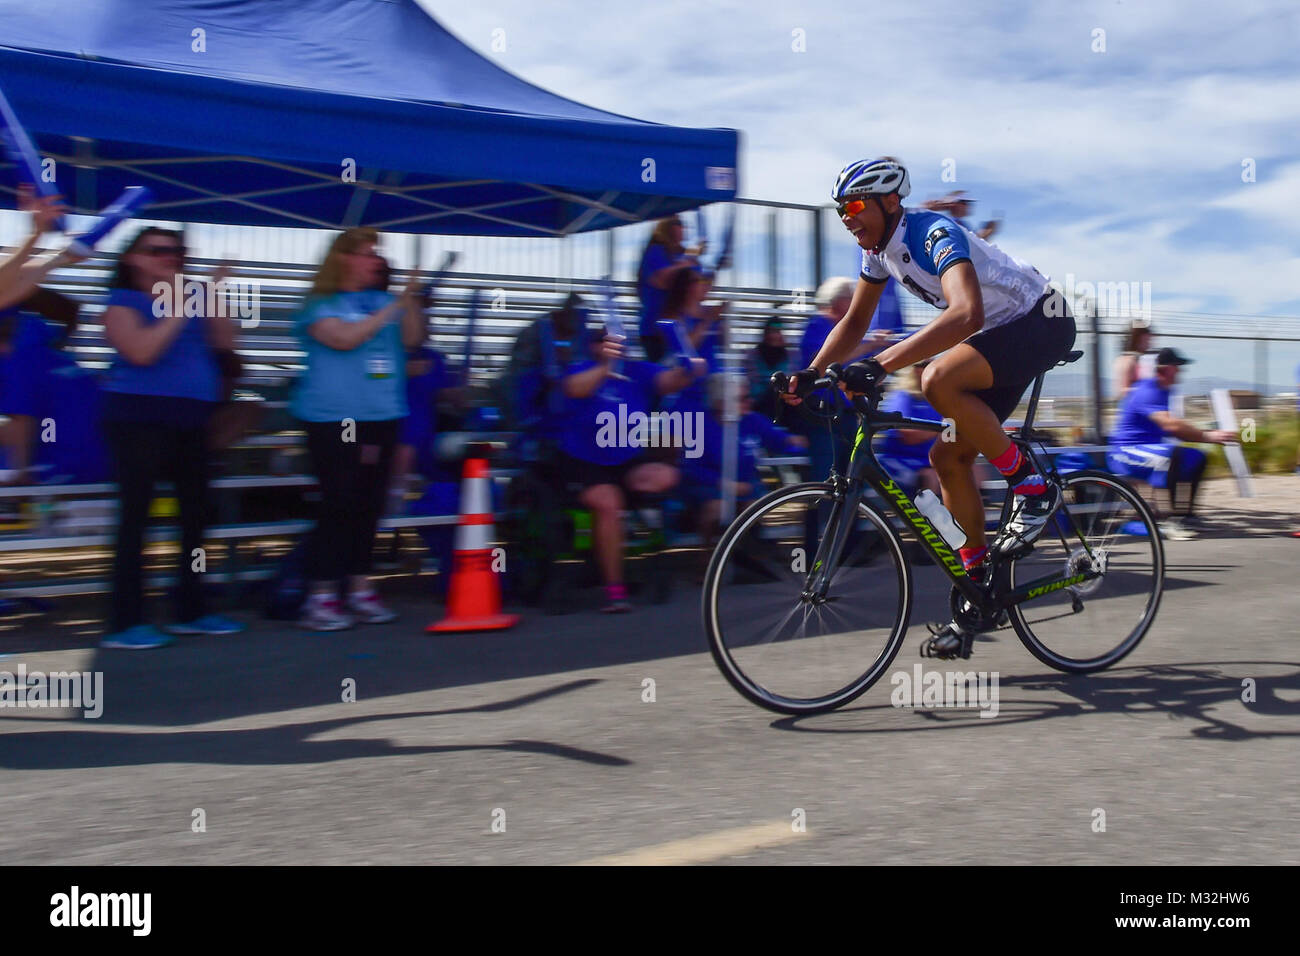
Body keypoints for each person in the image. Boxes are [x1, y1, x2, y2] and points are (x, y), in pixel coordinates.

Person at [786, 156, 1077, 615]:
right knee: (947, 458)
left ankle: (1032, 488)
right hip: (1001, 335)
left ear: (888, 201)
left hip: (1041, 319)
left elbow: (966, 314)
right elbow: (855, 320)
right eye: (840, 209)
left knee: (937, 378)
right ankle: (978, 588)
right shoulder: (877, 252)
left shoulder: (931, 233)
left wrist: (878, 365)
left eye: (855, 205)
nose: (847, 218)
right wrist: (812, 372)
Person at [99, 228, 245, 648]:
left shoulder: (193, 296)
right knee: (136, 519)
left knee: (196, 518)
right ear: (132, 259)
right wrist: (182, 306)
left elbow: (227, 345)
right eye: (157, 250)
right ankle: (125, 622)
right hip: (137, 416)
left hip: (191, 418)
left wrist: (213, 295)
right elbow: (142, 352)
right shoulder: (123, 301)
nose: (170, 257)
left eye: (176, 251)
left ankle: (192, 609)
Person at [291, 228, 425, 631]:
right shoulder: (320, 304)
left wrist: (410, 300)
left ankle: (360, 587)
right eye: (368, 253)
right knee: (339, 503)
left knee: (369, 505)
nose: (376, 261)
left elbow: (413, 338)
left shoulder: (385, 300)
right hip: (334, 419)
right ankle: (321, 595)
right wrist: (389, 309)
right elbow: (344, 339)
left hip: (382, 416)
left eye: (377, 254)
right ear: (343, 258)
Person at [557, 334, 704, 612]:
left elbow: (672, 381)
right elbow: (574, 389)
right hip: (584, 461)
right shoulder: (581, 368)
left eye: (618, 341)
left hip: (625, 460)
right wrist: (605, 367)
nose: (615, 346)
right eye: (605, 341)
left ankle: (640, 540)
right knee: (609, 502)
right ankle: (615, 591)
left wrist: (689, 368)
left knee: (667, 475)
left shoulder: (637, 370)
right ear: (593, 345)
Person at [1107, 348, 1235, 539]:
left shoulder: (1165, 390)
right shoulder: (1148, 390)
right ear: (1166, 369)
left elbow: (1176, 431)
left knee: (1197, 457)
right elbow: (1171, 425)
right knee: (1173, 455)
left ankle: (1186, 516)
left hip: (1148, 451)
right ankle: (1171, 521)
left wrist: (1207, 436)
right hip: (1125, 453)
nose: (1180, 372)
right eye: (1177, 367)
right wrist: (1209, 436)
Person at [682, 373, 807, 541]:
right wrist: (726, 485)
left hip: (746, 487)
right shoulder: (700, 425)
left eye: (749, 396)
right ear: (721, 402)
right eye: (742, 398)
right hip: (710, 488)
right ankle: (709, 557)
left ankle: (749, 557)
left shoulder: (752, 420)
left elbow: (780, 442)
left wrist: (806, 442)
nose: (749, 402)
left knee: (752, 508)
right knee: (717, 508)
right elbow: (692, 469)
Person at [797, 277, 891, 480]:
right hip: (823, 413)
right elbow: (820, 362)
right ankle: (824, 512)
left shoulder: (848, 332)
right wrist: (869, 345)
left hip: (846, 412)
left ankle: (845, 512)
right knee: (826, 472)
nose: (853, 302)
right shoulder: (818, 324)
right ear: (838, 301)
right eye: (849, 298)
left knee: (850, 474)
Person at [636, 217, 704, 361]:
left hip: (682, 327)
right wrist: (685, 264)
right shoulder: (656, 251)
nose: (682, 229)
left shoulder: (684, 255)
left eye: (682, 225)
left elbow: (697, 282)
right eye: (677, 225)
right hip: (655, 329)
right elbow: (661, 280)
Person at [875, 357, 941, 496]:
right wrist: (940, 430)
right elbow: (908, 435)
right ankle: (928, 517)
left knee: (971, 469)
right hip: (898, 459)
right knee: (930, 476)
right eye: (923, 364)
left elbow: (951, 433)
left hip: (927, 459)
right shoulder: (902, 396)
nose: (927, 368)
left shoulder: (936, 397)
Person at [744, 316, 792, 421]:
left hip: (784, 403)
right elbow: (753, 385)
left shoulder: (791, 356)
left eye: (778, 331)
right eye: (772, 331)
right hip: (760, 402)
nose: (775, 335)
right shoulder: (753, 355)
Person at [922, 190, 999, 241]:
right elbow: (972, 246)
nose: (968, 206)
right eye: (965, 202)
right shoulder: (952, 223)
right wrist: (986, 233)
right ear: (955, 204)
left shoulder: (961, 223)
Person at [1112, 320, 1154, 399]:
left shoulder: (1136, 358)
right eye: (1147, 340)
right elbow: (1122, 391)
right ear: (1138, 339)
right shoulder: (1127, 360)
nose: (1149, 344)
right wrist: (1149, 389)